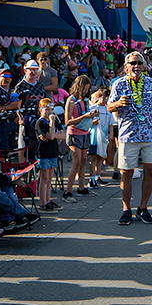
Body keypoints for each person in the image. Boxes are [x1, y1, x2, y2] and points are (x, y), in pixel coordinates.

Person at [107, 51, 152, 225]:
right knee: (126, 174)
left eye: (139, 63)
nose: (136, 67)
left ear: (144, 66)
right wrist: (118, 104)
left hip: (150, 133)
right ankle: (126, 209)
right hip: (128, 135)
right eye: (133, 63)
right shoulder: (119, 84)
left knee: (150, 172)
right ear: (126, 66)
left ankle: (143, 208)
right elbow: (109, 107)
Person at [63, 75, 96, 203]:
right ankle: (68, 191)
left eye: (87, 89)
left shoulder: (85, 100)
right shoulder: (71, 100)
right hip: (74, 134)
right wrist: (84, 117)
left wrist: (92, 116)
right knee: (76, 162)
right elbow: (68, 121)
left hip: (85, 132)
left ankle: (81, 187)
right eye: (85, 89)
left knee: (83, 160)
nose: (86, 91)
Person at [35, 98, 65, 211]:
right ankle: (43, 202)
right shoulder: (40, 122)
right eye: (47, 109)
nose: (49, 112)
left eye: (51, 109)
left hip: (53, 151)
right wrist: (52, 125)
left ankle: (48, 199)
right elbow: (51, 136)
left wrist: (54, 132)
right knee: (44, 178)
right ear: (41, 110)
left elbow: (63, 134)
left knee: (50, 178)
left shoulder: (55, 120)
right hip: (44, 153)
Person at [14, 59, 46, 162]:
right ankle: (23, 168)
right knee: (22, 145)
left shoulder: (40, 86)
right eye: (30, 70)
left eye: (35, 70)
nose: (32, 72)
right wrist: (19, 118)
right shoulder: (20, 86)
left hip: (38, 120)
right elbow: (15, 106)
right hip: (25, 121)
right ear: (25, 71)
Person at [0, 70, 20, 156]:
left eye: (9, 77)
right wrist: (9, 106)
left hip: (12, 123)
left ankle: (11, 167)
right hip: (0, 123)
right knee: (2, 152)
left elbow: (17, 105)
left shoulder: (11, 92)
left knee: (11, 150)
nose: (7, 79)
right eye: (4, 76)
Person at [88, 87, 115, 188]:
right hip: (94, 135)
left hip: (103, 136)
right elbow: (88, 121)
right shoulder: (94, 108)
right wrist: (93, 122)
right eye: (103, 97)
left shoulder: (108, 109)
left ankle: (98, 175)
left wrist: (111, 134)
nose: (105, 100)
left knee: (101, 156)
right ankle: (92, 178)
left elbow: (111, 123)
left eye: (107, 98)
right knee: (93, 156)